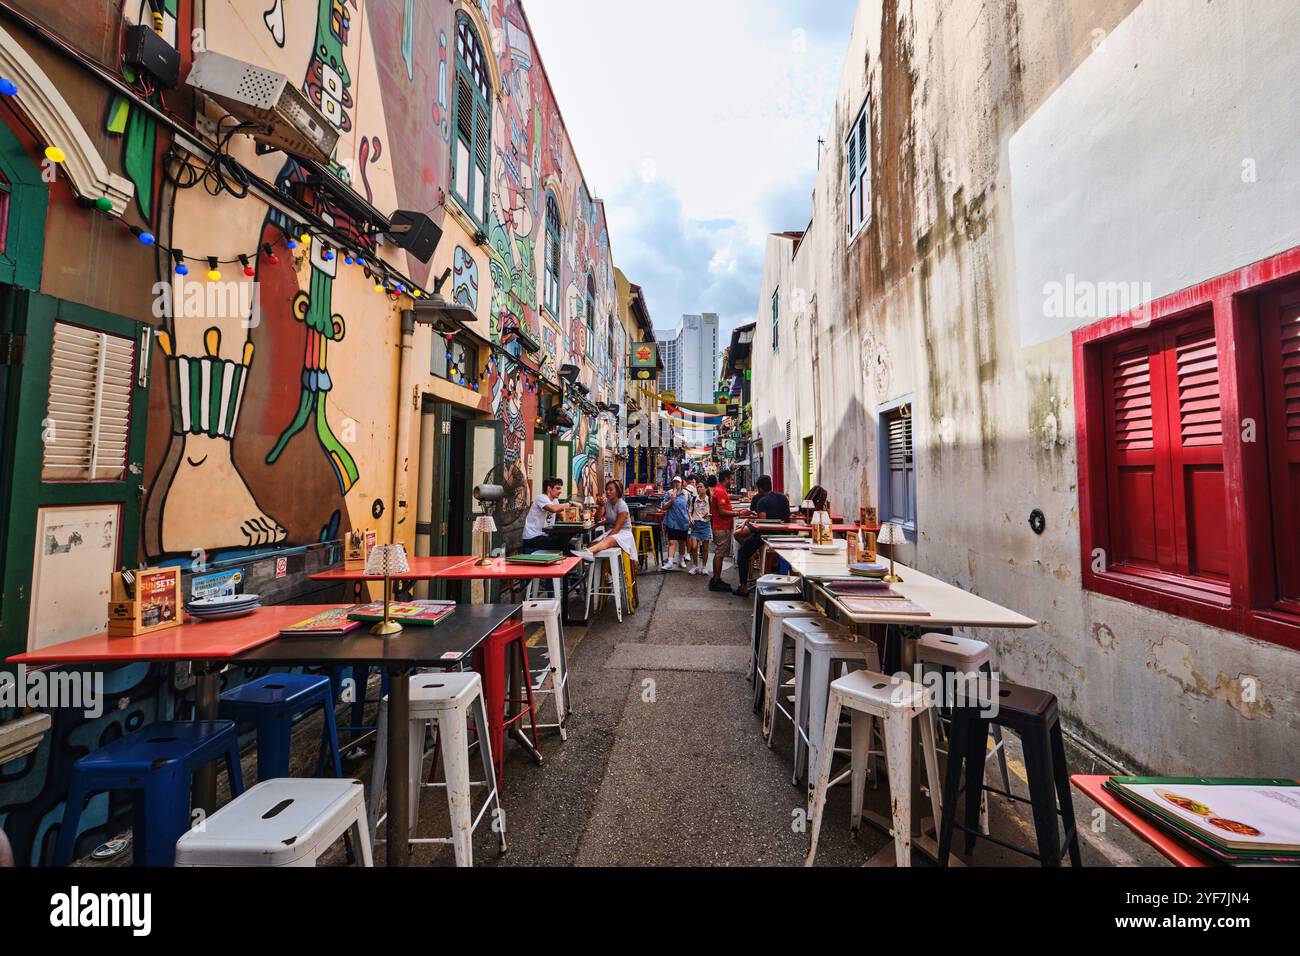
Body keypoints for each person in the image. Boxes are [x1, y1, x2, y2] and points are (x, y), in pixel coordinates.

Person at [733, 474, 790, 596]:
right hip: (786, 534)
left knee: (742, 553)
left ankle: (743, 587)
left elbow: (762, 524)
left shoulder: (762, 501)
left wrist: (749, 522)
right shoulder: (784, 498)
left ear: (760, 489)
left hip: (768, 536)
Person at [574, 479, 637, 565]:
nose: (607, 492)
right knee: (592, 544)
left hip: (624, 533)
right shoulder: (607, 503)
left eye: (611, 489)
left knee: (605, 541)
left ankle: (587, 552)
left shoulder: (622, 505)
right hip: (612, 532)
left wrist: (605, 539)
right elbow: (596, 519)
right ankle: (600, 569)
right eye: (606, 489)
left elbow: (617, 528)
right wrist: (601, 506)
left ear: (617, 491)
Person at [708, 469, 738, 592]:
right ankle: (715, 581)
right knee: (720, 553)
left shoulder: (720, 490)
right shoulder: (720, 491)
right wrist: (738, 513)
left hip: (720, 526)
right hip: (721, 527)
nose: (732, 481)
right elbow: (722, 511)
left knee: (719, 553)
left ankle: (717, 579)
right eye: (731, 479)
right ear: (725, 478)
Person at [523, 477, 569, 552]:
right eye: (557, 488)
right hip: (532, 538)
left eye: (560, 489)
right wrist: (570, 504)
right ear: (549, 488)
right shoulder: (540, 498)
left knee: (568, 544)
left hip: (545, 535)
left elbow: (562, 516)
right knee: (562, 544)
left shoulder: (555, 500)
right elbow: (553, 509)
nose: (560, 491)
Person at [658, 475, 692, 571]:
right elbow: (663, 507)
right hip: (672, 521)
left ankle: (681, 559)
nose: (676, 484)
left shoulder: (686, 494)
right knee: (672, 542)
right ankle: (669, 562)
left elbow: (689, 507)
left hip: (683, 522)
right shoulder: (669, 493)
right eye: (675, 482)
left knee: (682, 542)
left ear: (681, 483)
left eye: (678, 482)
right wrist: (671, 500)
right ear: (673, 483)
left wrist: (690, 518)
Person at [687, 476, 713, 574]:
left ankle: (704, 566)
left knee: (705, 548)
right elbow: (689, 511)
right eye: (698, 487)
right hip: (696, 525)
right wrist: (691, 518)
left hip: (706, 524)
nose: (699, 488)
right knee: (694, 546)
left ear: (706, 489)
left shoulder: (710, 499)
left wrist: (710, 515)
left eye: (701, 487)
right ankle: (695, 566)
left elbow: (714, 512)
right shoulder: (694, 499)